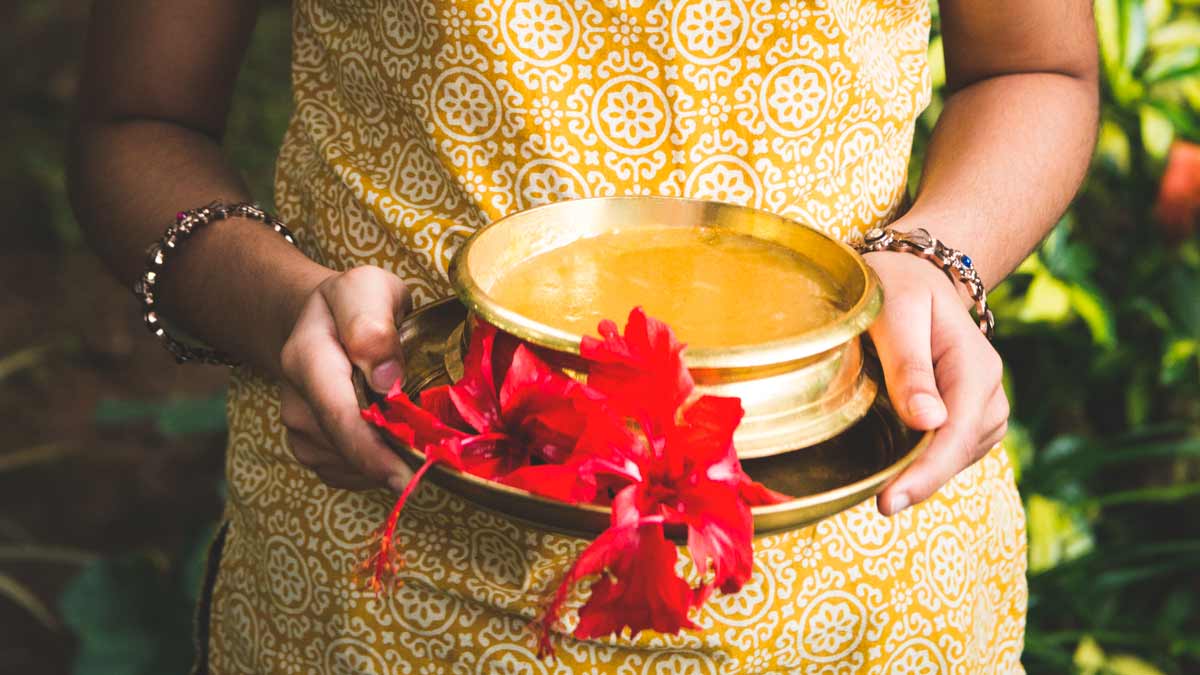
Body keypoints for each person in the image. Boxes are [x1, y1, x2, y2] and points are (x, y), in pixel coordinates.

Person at [69, 1, 1098, 672]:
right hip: (385, 584)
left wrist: (937, 257)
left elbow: (1036, 67)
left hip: (857, 586)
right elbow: (138, 123)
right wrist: (279, 308)